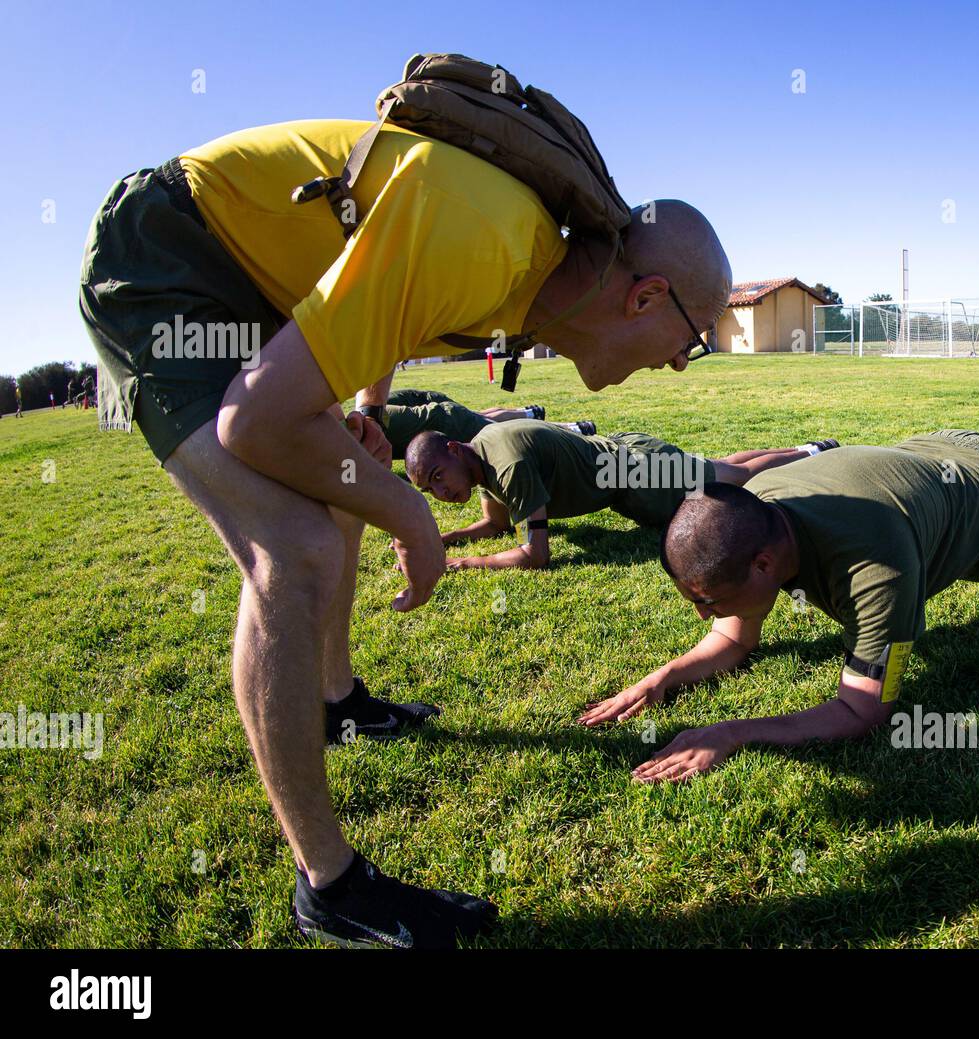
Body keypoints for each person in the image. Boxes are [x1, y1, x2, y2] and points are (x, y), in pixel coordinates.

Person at [78, 113, 731, 948]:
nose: (681, 362)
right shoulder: (492, 241)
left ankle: (338, 702)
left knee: (343, 481)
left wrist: (365, 411)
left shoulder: (526, 274)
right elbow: (252, 422)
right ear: (645, 296)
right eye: (692, 340)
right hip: (166, 254)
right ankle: (331, 888)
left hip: (244, 274)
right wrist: (407, 508)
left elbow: (383, 289)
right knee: (296, 544)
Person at [579, 429, 979, 784]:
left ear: (765, 566)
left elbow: (862, 711)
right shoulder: (755, 520)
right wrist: (662, 679)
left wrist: (732, 732)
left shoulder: (875, 568)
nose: (705, 615)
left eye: (710, 601)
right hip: (933, 453)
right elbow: (734, 638)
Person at [405, 420, 838, 570]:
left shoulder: (508, 466)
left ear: (454, 449)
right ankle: (810, 448)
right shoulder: (483, 455)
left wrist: (464, 562)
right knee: (721, 467)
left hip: (636, 476)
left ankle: (810, 454)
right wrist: (440, 540)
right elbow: (497, 524)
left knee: (731, 478)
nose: (443, 492)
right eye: (432, 489)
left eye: (440, 477)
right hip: (626, 461)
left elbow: (536, 555)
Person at [377, 389, 594, 458]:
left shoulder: (361, 430)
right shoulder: (363, 414)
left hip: (440, 418)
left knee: (501, 433)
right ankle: (529, 413)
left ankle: (572, 430)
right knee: (476, 417)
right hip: (429, 408)